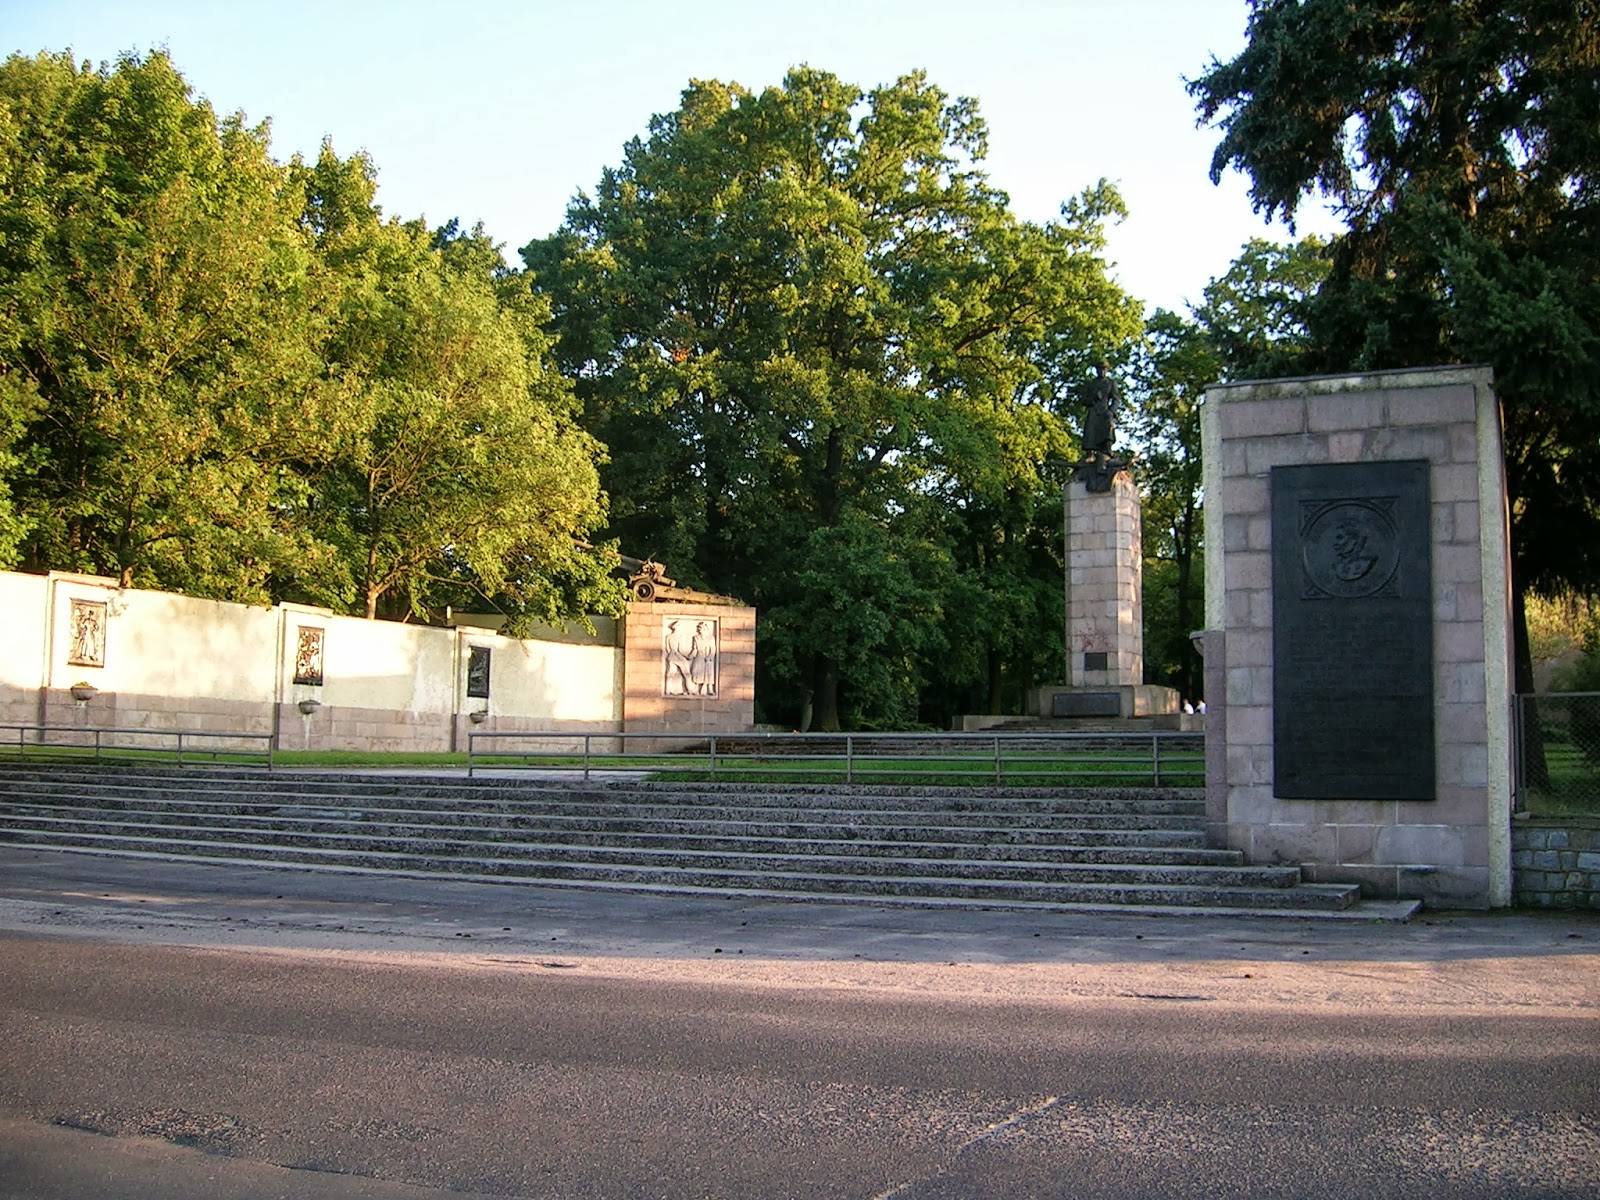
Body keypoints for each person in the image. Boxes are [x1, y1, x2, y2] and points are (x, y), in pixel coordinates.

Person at [1082, 361, 1118, 461]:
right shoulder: (1091, 384)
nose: (1101, 371)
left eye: (1104, 369)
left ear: (1106, 370)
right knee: (1091, 429)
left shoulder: (1110, 383)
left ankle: (1107, 449)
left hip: (1105, 410)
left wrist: (1111, 411)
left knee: (1109, 425)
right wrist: (1093, 398)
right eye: (1100, 369)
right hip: (1094, 410)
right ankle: (1090, 453)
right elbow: (1084, 400)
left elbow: (1116, 399)